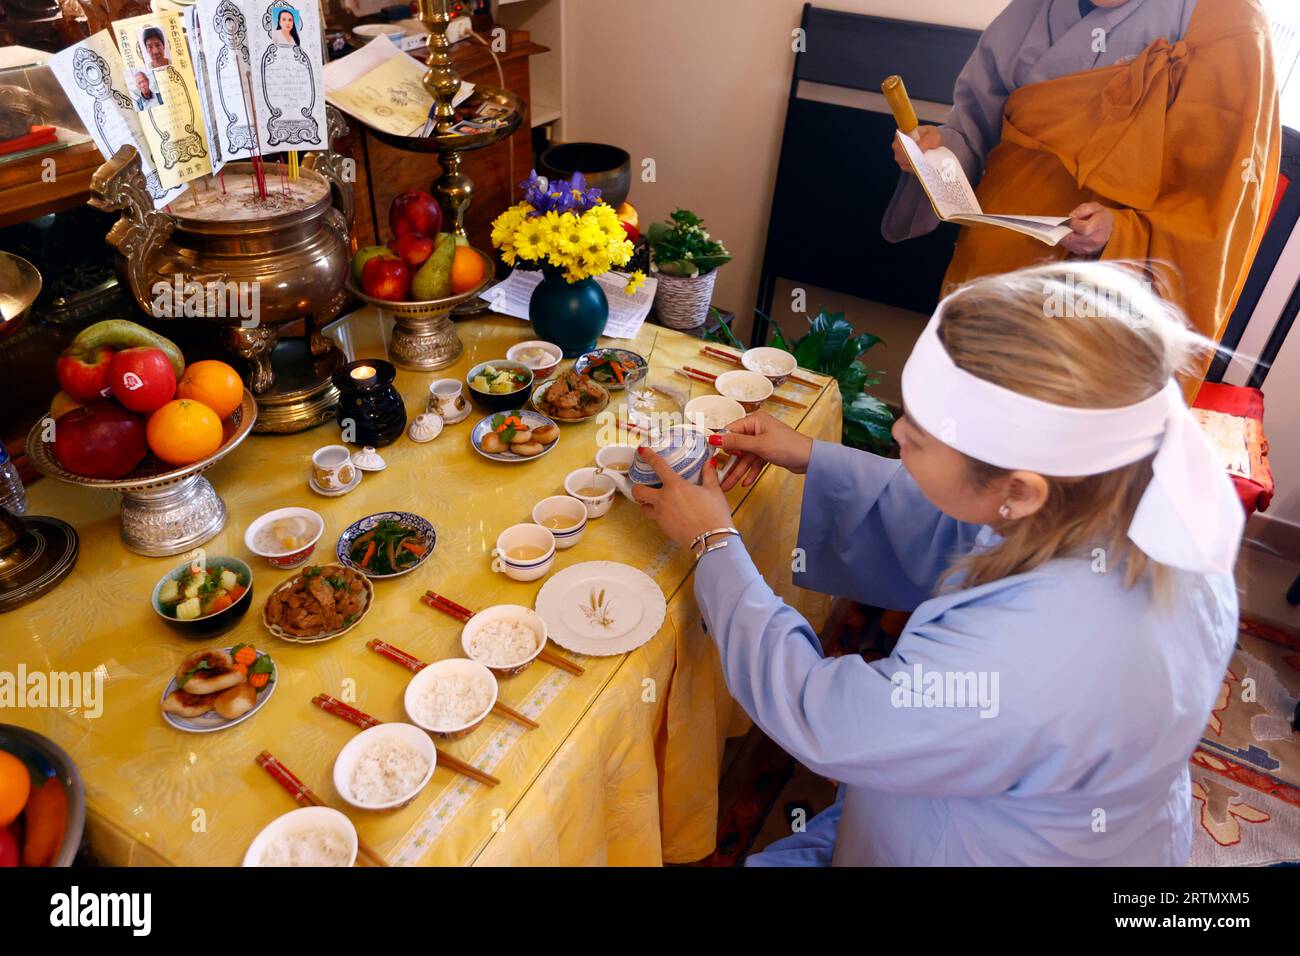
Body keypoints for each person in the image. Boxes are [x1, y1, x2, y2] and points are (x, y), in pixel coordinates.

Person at [632, 261, 1243, 865]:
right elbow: (970, 522)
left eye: (919, 437)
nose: (896, 433)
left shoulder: (1029, 659)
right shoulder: (1129, 488)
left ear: (1023, 487)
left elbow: (826, 716)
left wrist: (714, 542)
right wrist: (812, 456)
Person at [883, 0, 1280, 394]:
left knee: (1044, 433)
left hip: (1101, 294)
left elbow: (1217, 203)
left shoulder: (1227, 20)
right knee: (959, 410)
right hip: (991, 266)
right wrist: (938, 152)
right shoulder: (1031, 13)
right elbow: (974, 129)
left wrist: (1121, 232)